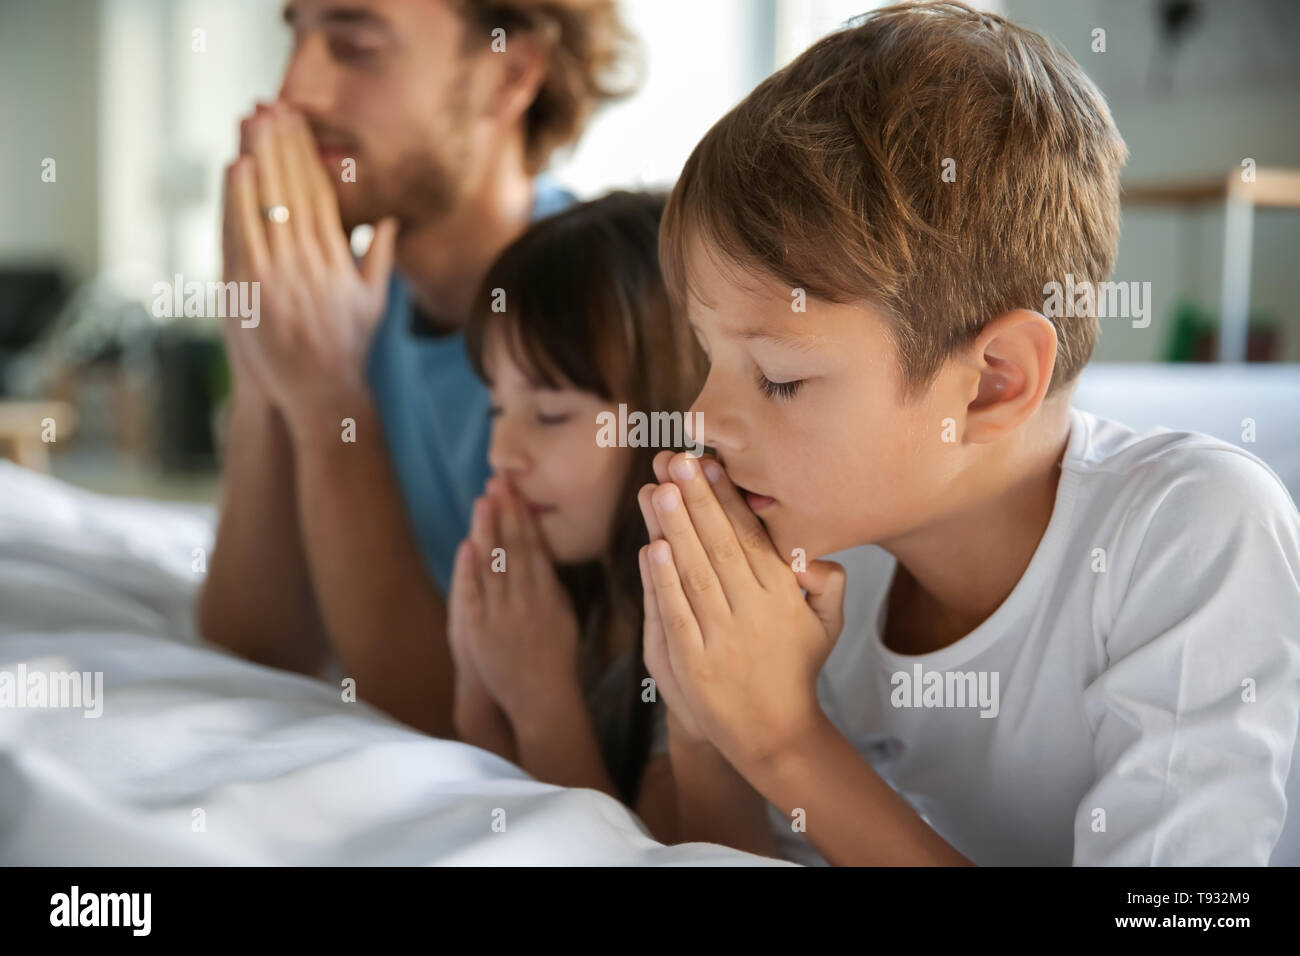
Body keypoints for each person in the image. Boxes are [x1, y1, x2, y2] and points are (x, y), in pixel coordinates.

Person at [638, 0, 1300, 864]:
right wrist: (705, 720)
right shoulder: (823, 549)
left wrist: (784, 743)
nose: (699, 419)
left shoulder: (1191, 532)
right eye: (709, 356)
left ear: (993, 383)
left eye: (779, 376)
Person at [198, 0, 637, 738]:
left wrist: (329, 400)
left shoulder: (605, 323)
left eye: (355, 47)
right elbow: (260, 643)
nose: (295, 91)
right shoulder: (342, 299)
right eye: (295, 37)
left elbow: (468, 727)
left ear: (509, 72)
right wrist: (264, 358)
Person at [449, 191, 704, 839]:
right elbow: (487, 801)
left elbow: (658, 854)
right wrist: (478, 670)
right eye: (497, 408)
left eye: (550, 414)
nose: (501, 453)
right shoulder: (568, 590)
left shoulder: (698, 621)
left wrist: (542, 704)